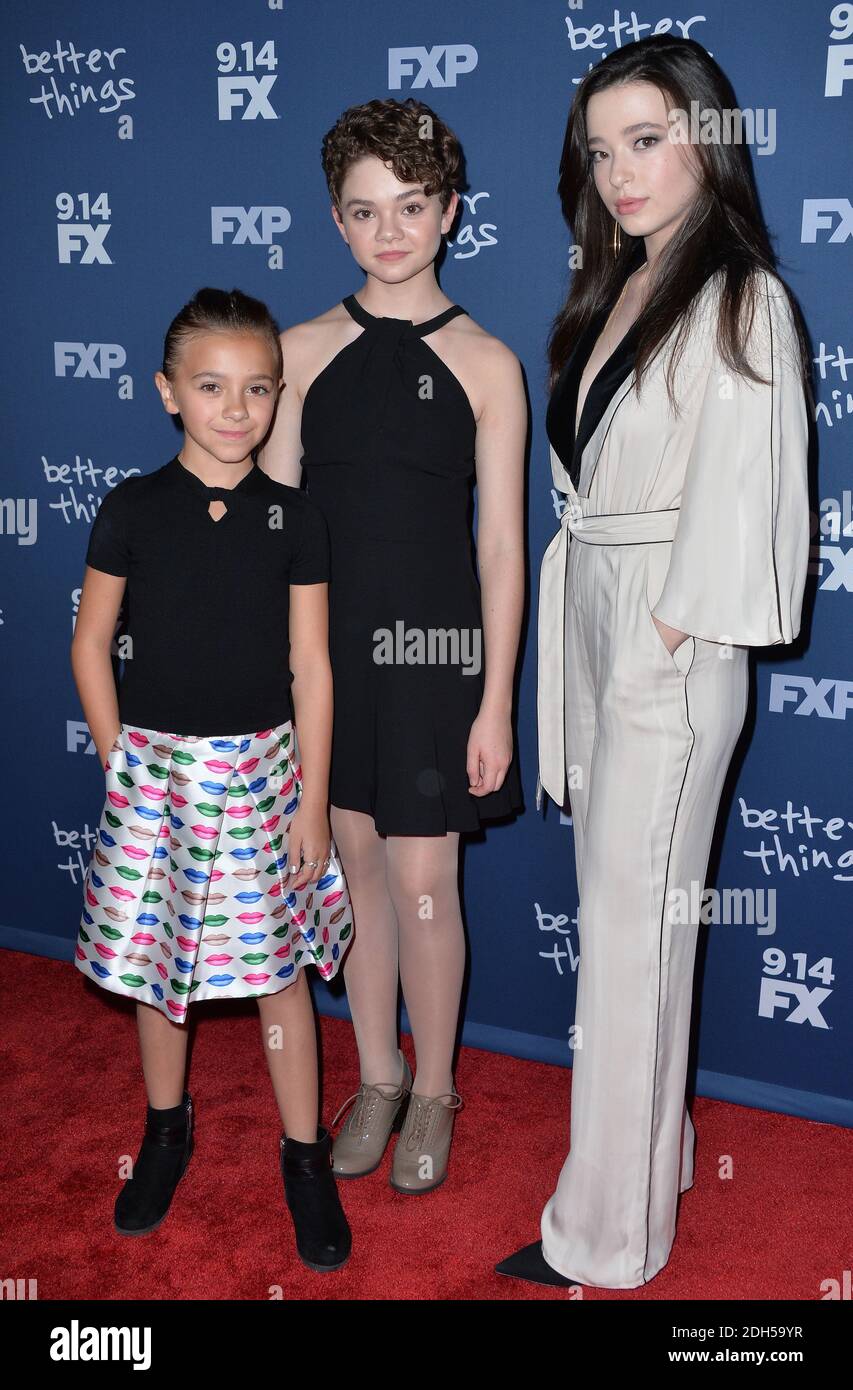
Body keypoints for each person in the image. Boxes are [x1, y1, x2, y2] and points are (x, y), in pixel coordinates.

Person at [496, 36, 811, 1289]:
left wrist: (662, 640)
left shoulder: (740, 293)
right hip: (600, 614)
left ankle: (608, 1240)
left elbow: (748, 497)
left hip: (664, 642)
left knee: (631, 939)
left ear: (708, 139)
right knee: (621, 925)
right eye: (600, 147)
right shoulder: (614, 281)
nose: (619, 170)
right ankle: (655, 1163)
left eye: (646, 138)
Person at [259, 97, 526, 1193]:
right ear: (335, 221)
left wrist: (496, 701)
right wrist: (274, 688)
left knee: (425, 882)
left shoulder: (487, 363)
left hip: (436, 664)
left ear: (449, 212)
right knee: (354, 869)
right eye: (364, 211)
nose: (389, 231)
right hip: (328, 663)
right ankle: (373, 1075)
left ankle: (434, 1089)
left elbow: (503, 546)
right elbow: (271, 542)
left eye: (410, 207)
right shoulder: (300, 352)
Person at [71, 287, 355, 1272]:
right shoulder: (131, 508)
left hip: (269, 775)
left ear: (279, 395)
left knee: (279, 974)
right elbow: (90, 643)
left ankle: (305, 1154)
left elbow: (312, 666)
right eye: (211, 386)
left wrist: (312, 798)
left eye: (258, 389)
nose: (236, 409)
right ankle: (163, 1129)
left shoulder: (296, 519)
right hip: (154, 775)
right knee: (159, 973)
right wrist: (123, 766)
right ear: (166, 393)